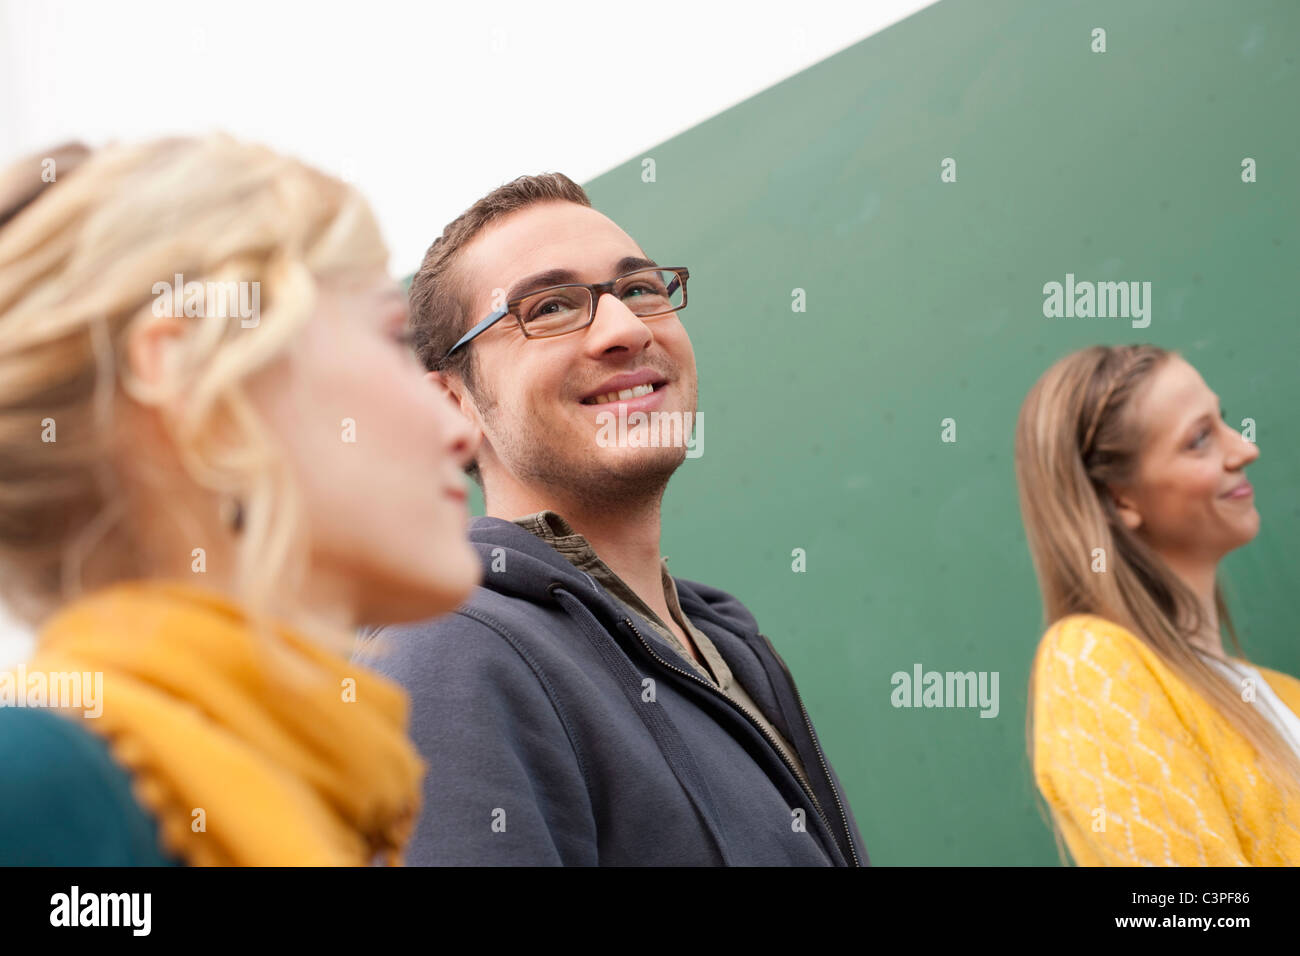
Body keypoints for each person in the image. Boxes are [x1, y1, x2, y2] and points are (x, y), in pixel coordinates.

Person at [358, 172, 866, 866]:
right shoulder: (454, 654)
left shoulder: (734, 650)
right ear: (450, 405)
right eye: (551, 306)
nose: (625, 329)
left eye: (639, 290)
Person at [0, 136, 480, 865]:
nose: (458, 425)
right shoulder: (40, 793)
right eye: (396, 338)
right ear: (194, 375)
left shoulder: (345, 810)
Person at [1015, 344, 1300, 866]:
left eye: (1225, 422)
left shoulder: (1283, 697)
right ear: (1120, 499)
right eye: (1199, 440)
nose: (1243, 450)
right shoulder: (1088, 663)